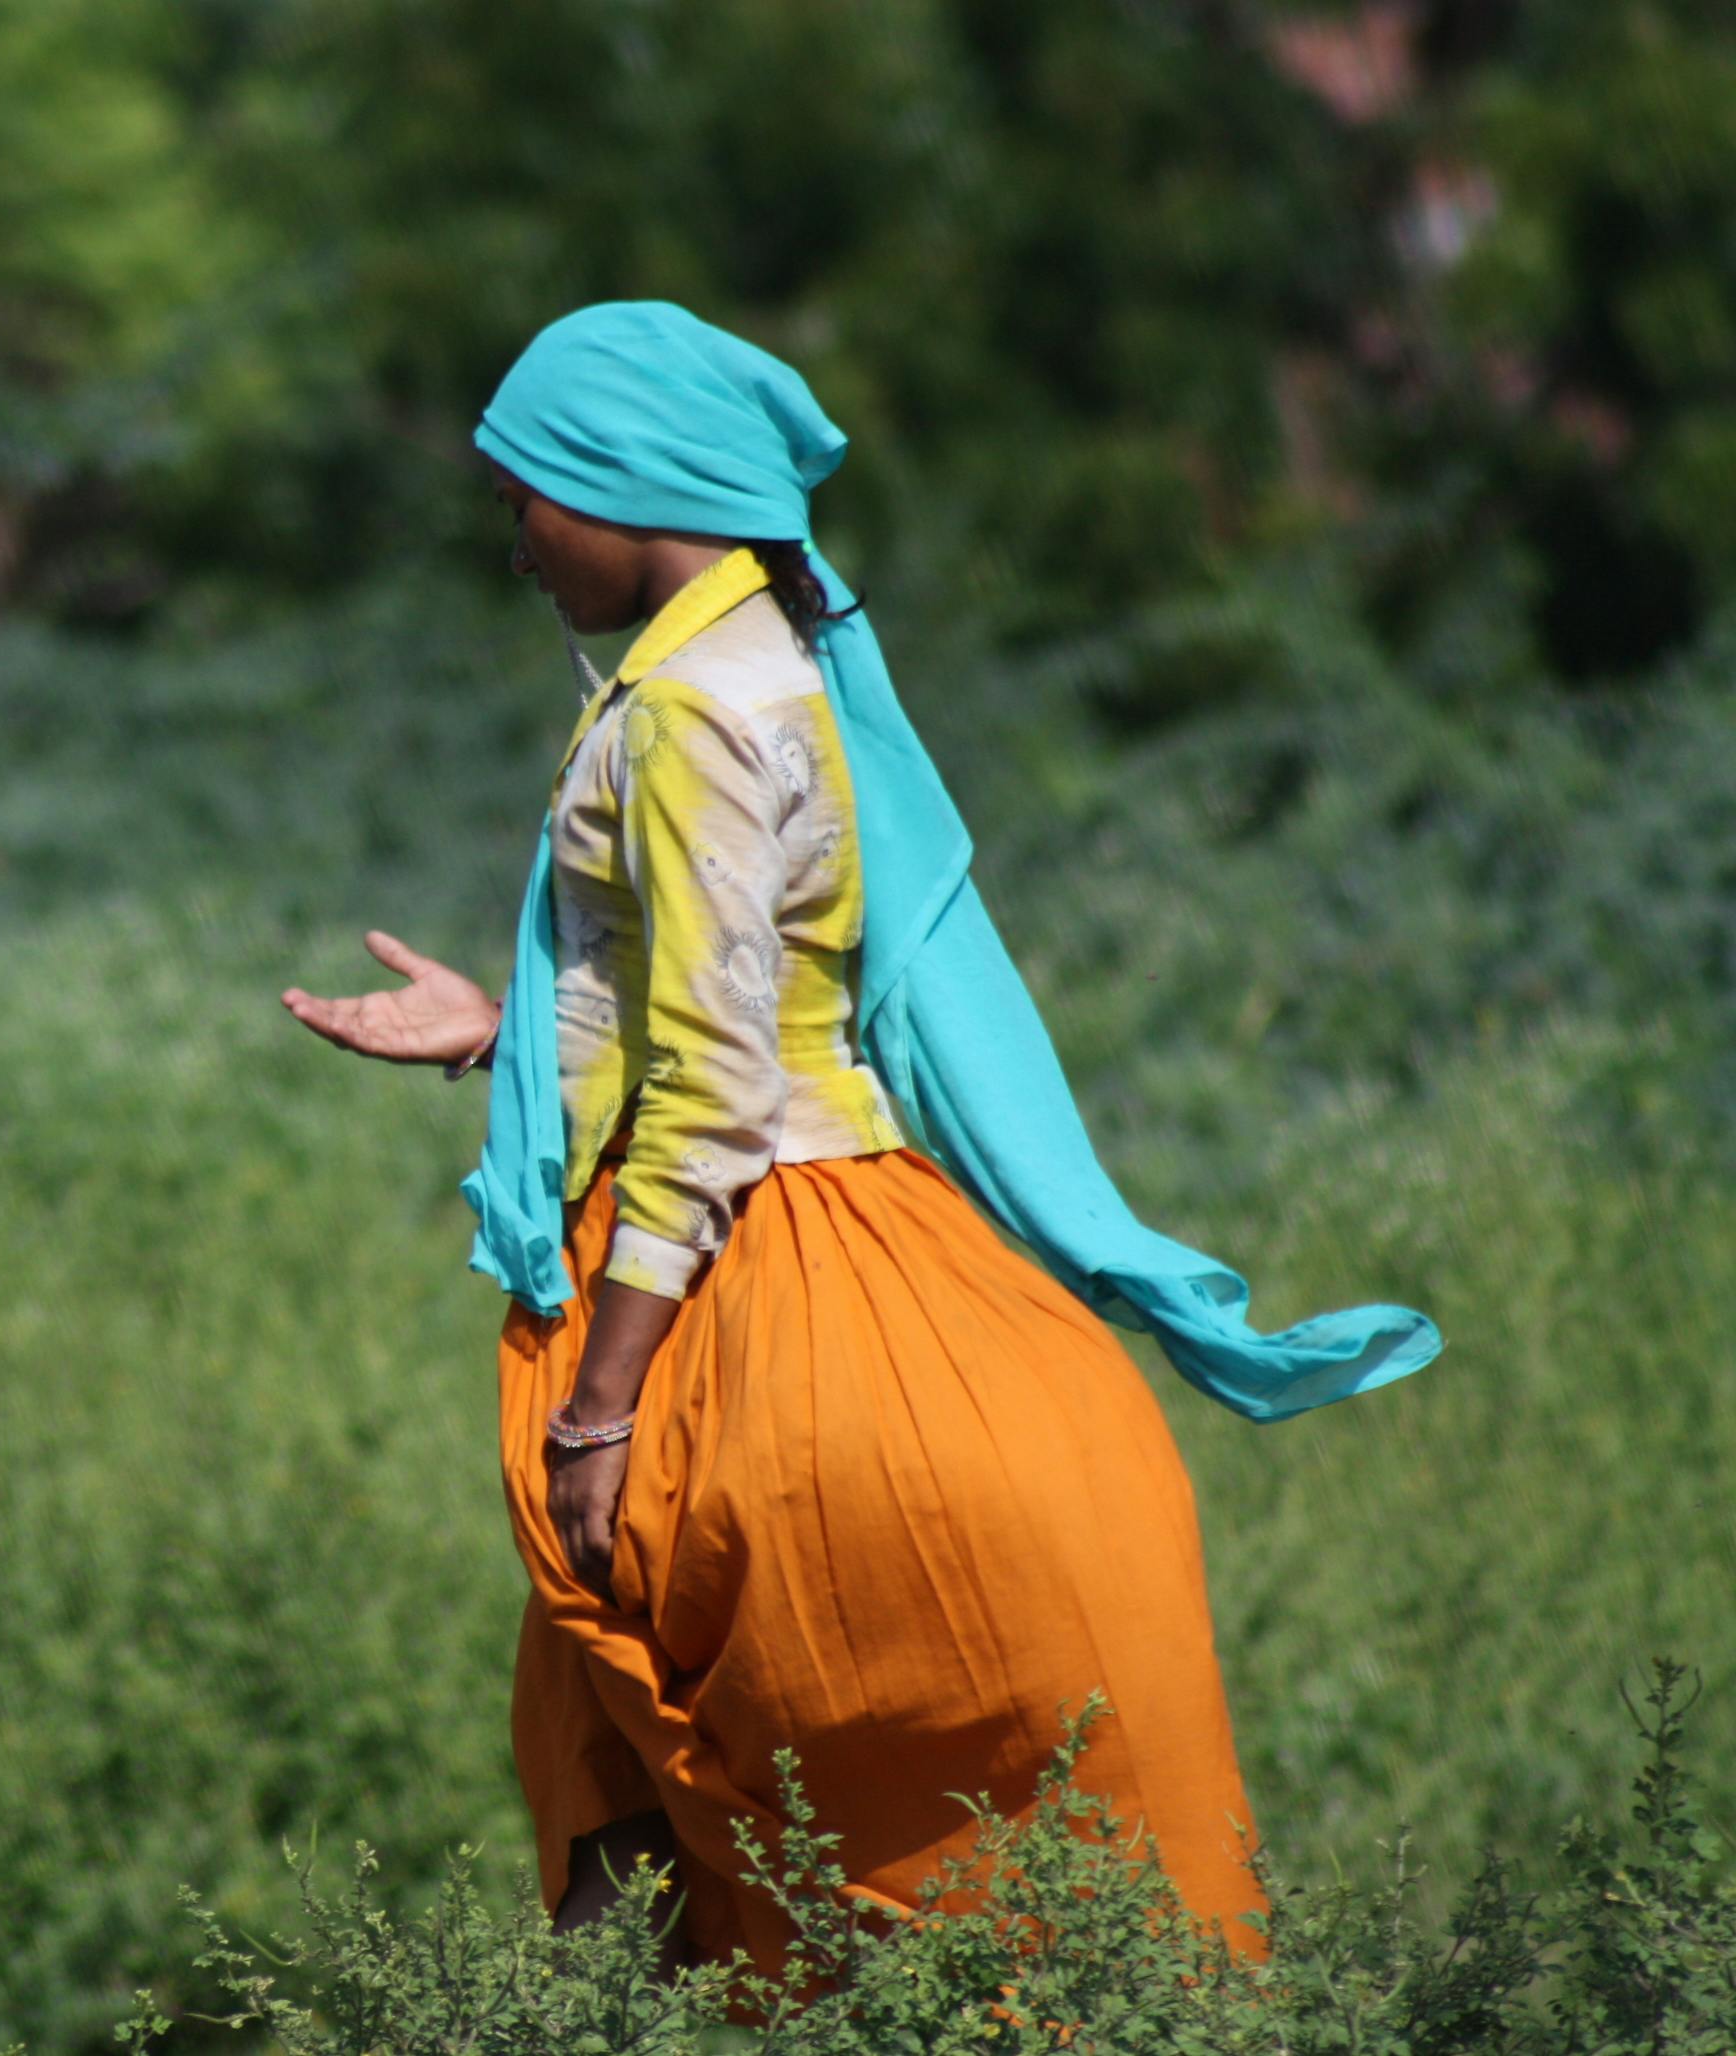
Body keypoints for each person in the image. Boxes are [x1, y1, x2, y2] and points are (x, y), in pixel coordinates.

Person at [281, 303, 1438, 1981]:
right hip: (889, 1244)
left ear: (620, 483)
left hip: (764, 1304)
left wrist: (603, 1411)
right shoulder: (774, 661)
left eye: (523, 498)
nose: (514, 546)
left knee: (656, 1862)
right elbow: (748, 994)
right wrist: (507, 1034)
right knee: (723, 1840)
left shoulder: (686, 713)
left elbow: (715, 1092)